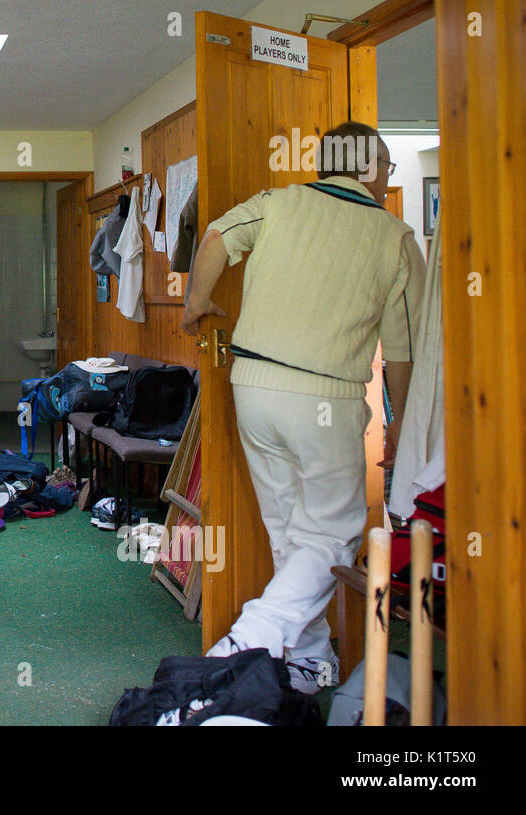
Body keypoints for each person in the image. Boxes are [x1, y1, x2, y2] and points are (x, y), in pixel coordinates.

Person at [179, 122, 423, 694]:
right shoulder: (395, 238)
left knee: (288, 530)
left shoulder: (277, 203)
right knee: (332, 536)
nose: (386, 178)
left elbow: (214, 236)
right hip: (323, 398)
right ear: (370, 167)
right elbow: (403, 352)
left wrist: (196, 303)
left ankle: (308, 662)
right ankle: (246, 641)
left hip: (253, 388)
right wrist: (402, 425)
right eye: (386, 168)